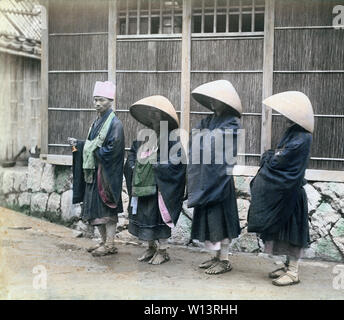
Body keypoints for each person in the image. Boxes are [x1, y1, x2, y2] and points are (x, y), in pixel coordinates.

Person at [247, 91, 314, 286]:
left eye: (289, 114)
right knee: (283, 231)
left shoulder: (303, 137)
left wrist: (271, 156)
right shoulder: (293, 132)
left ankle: (293, 272)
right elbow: (274, 155)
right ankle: (287, 266)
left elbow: (278, 160)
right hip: (284, 191)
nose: (285, 117)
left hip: (291, 192)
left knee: (292, 233)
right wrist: (272, 155)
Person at [187, 80, 242, 275]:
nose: (211, 103)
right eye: (210, 100)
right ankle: (215, 257)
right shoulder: (209, 120)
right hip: (206, 177)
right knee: (210, 220)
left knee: (221, 220)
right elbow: (195, 135)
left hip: (220, 179)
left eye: (215, 100)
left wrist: (204, 138)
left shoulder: (232, 123)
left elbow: (217, 144)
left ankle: (225, 260)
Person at [124, 95, 186, 265]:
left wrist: (157, 166)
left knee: (158, 218)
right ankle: (150, 247)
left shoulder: (172, 138)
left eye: (156, 114)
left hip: (159, 188)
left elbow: (178, 160)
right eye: (150, 114)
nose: (153, 118)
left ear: (164, 117)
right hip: (143, 185)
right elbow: (132, 154)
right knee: (144, 217)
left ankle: (163, 250)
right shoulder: (144, 136)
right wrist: (133, 166)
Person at [68, 81, 125, 257]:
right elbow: (93, 145)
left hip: (107, 174)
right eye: (95, 100)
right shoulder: (97, 122)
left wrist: (92, 150)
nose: (97, 104)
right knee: (95, 209)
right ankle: (102, 241)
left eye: (101, 100)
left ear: (110, 100)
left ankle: (110, 244)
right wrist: (79, 144)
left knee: (107, 209)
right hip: (95, 172)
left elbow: (113, 148)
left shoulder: (115, 124)